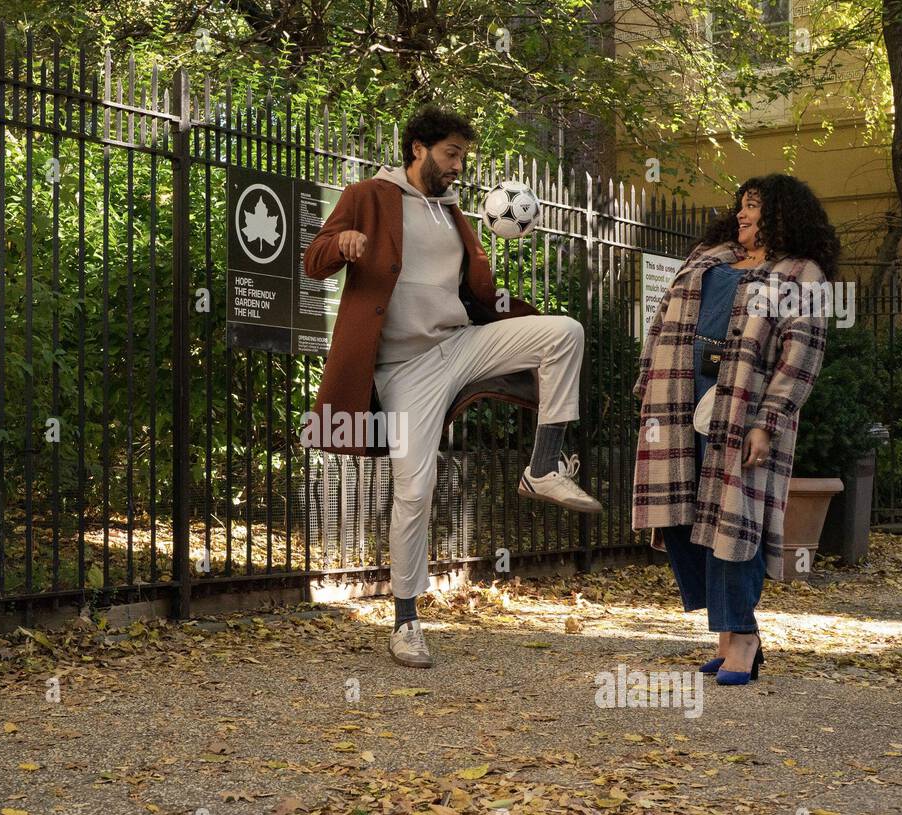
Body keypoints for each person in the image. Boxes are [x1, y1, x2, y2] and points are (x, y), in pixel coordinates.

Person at [303, 104, 602, 669]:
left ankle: (543, 467)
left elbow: (478, 294)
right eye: (451, 154)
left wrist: (509, 311)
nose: (459, 166)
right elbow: (313, 258)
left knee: (563, 331)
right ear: (417, 148)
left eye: (464, 155)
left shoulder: (453, 212)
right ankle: (407, 620)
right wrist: (342, 245)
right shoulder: (369, 194)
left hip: (460, 343)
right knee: (415, 489)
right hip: (406, 367)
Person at [631, 174, 840, 686]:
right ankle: (726, 637)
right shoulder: (709, 256)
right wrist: (646, 383)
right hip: (679, 397)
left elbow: (802, 357)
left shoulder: (801, 274)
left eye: (754, 208)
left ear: (781, 216)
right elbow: (660, 321)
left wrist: (768, 422)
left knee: (732, 521)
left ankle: (743, 637)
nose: (742, 215)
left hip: (743, 404)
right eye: (741, 206)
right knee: (682, 518)